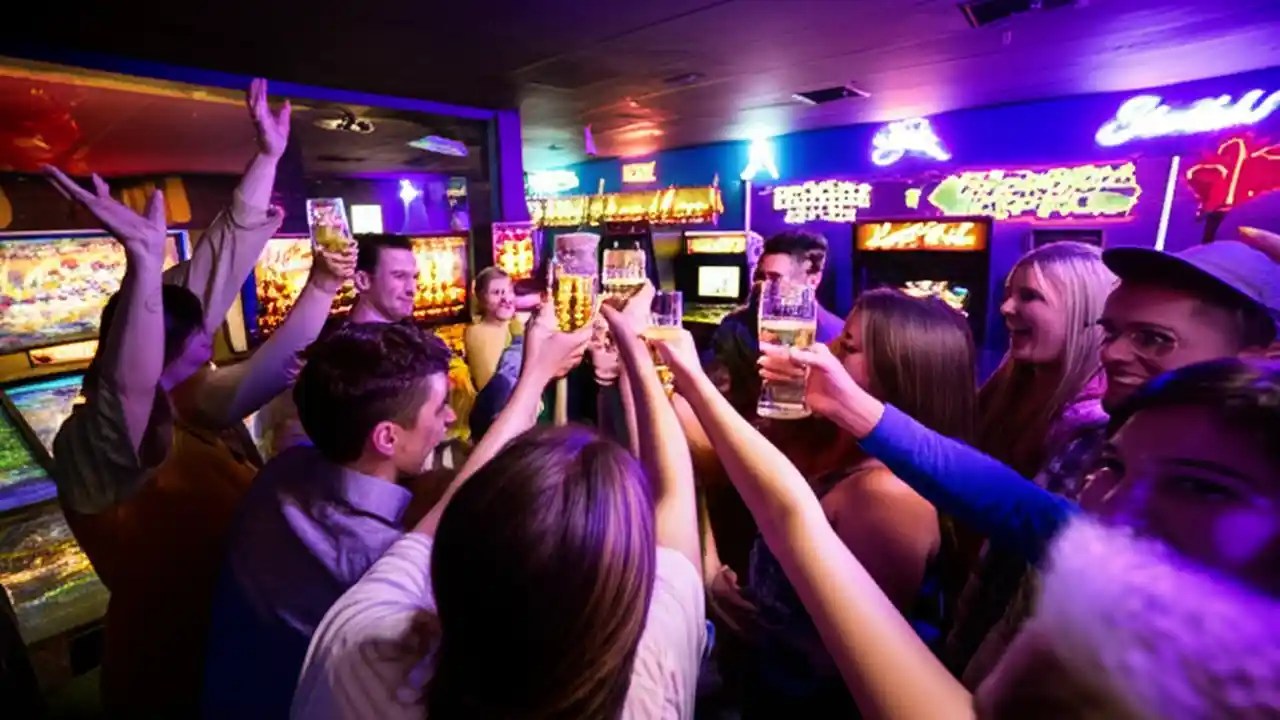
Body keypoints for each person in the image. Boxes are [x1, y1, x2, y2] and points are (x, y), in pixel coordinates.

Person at [667, 318, 1280, 718]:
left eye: (1202, 487)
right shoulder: (1103, 565)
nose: (1114, 503)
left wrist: (685, 380)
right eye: (1112, 467)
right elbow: (1003, 497)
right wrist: (853, 407)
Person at [760, 236, 1280, 684]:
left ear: (1264, 356)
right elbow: (1017, 508)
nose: (1115, 354)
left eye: (1154, 339)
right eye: (1112, 332)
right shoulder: (1096, 439)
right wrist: (851, 406)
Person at [45, 79, 358, 716]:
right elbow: (126, 385)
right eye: (192, 332)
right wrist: (141, 259)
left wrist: (267, 162)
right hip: (170, 681)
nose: (210, 330)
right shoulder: (95, 446)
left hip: (239, 662)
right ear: (157, 344)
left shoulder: (188, 406)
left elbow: (213, 276)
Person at [293, 296, 708, 719]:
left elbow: (451, 507)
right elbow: (674, 497)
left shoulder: (357, 654)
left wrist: (533, 377)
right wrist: (637, 352)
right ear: (623, 599)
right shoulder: (648, 685)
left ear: (448, 574)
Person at [711, 289, 977, 717]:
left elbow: (840, 659)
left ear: (897, 378)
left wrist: (741, 618)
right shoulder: (827, 444)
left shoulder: (885, 495)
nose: (822, 351)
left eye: (845, 347)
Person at [203, 323, 454, 718]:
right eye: (440, 407)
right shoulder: (374, 554)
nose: (451, 417)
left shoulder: (280, 472)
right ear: (386, 438)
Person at [256, 233, 426, 458]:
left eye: (414, 277)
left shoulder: (408, 341)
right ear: (362, 281)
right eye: (399, 276)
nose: (412, 289)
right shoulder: (333, 354)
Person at [703, 230, 844, 419]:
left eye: (775, 278)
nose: (763, 287)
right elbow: (712, 392)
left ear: (812, 281)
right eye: (760, 277)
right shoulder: (734, 328)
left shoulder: (839, 337)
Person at [463, 266, 516, 391]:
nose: (505, 299)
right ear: (482, 299)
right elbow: (494, 392)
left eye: (508, 291)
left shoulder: (515, 325)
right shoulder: (477, 333)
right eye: (496, 293)